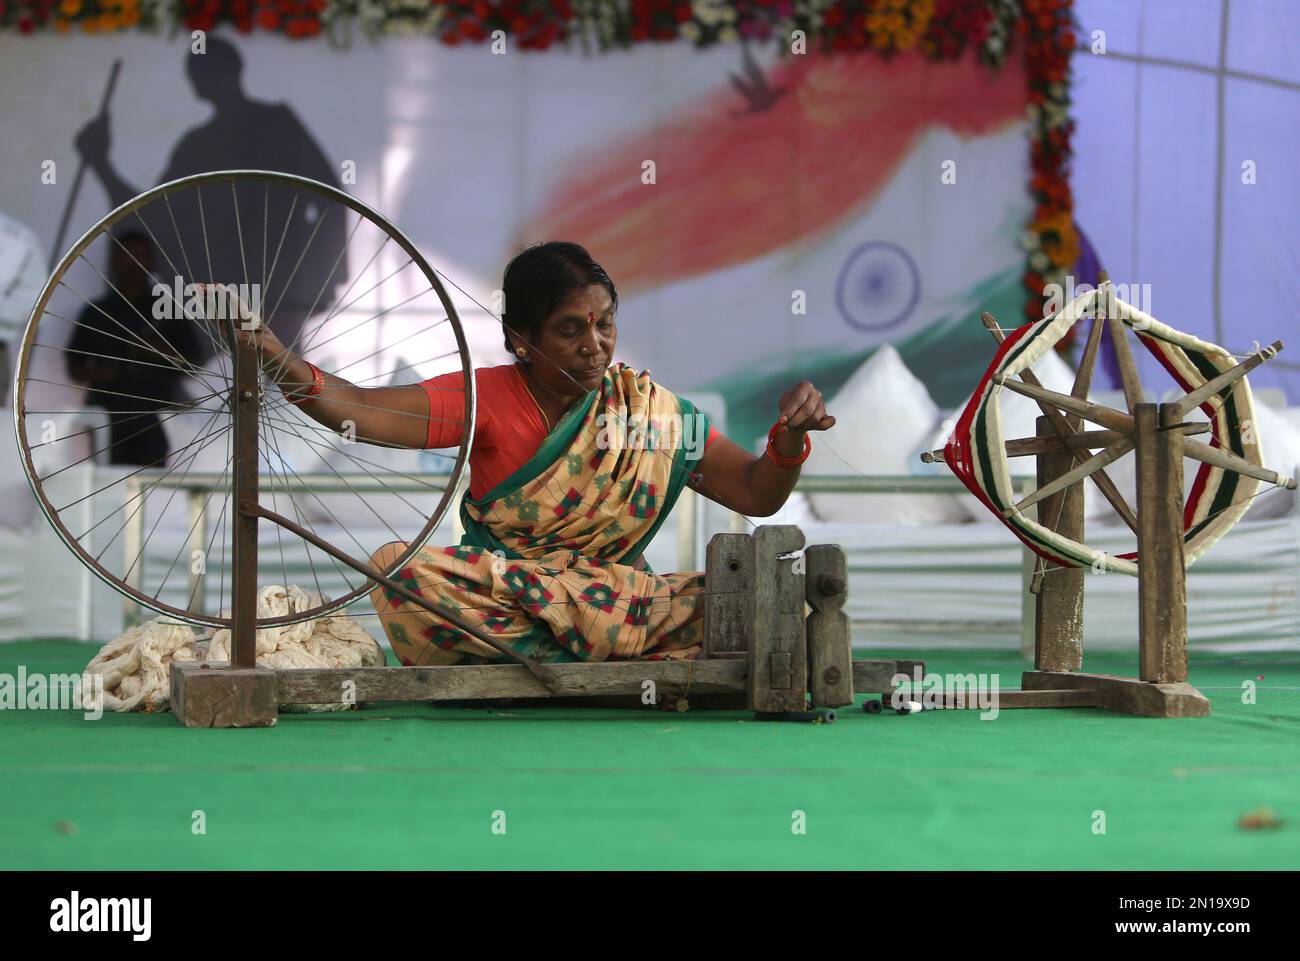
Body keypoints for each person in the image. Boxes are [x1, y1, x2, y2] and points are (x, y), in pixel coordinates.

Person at [227, 241, 835, 666]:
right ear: (521, 339)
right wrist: (278, 357)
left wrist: (787, 440)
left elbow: (758, 493)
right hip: (510, 594)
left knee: (751, 589)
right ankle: (609, 654)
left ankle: (555, 659)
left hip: (611, 596)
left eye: (605, 325)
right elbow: (357, 409)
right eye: (570, 330)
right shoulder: (487, 397)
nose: (594, 347)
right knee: (400, 572)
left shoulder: (650, 412)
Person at [64, 231, 204, 466]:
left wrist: (159, 350)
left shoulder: (167, 310)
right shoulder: (96, 312)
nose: (135, 261)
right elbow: (74, 367)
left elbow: (192, 363)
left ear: (151, 262)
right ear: (116, 260)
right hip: (108, 413)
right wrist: (102, 373)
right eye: (129, 254)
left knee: (152, 487)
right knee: (107, 484)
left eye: (142, 255)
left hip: (156, 414)